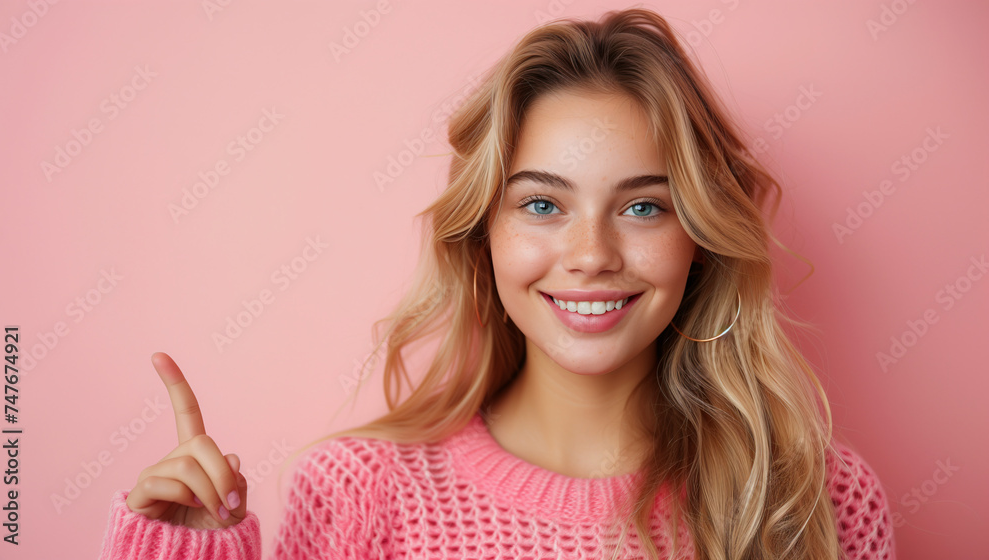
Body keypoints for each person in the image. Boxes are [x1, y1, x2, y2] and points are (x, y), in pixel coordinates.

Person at [97, 8, 895, 559]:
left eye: (644, 206)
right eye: (543, 204)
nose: (590, 254)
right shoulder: (359, 494)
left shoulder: (813, 500)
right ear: (484, 234)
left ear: (701, 239)